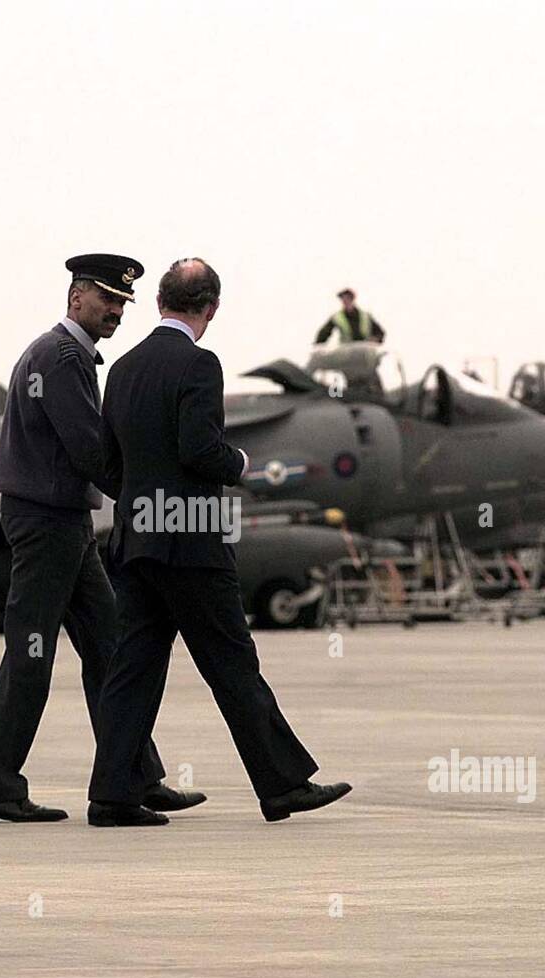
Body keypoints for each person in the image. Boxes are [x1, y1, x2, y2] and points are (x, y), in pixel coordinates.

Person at [87, 257, 352, 826]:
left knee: (132, 669)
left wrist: (140, 500)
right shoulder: (200, 364)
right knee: (232, 664)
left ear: (159, 302)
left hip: (136, 540)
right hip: (191, 540)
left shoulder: (123, 369)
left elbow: (108, 464)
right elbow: (199, 450)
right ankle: (282, 786)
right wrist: (241, 463)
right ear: (210, 308)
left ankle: (111, 795)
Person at [0, 254, 206, 824]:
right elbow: (88, 448)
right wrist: (148, 495)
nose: (117, 311)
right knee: (31, 655)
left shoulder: (59, 353)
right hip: (47, 524)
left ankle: (135, 777)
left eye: (124, 303)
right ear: (77, 296)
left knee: (110, 650)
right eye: (107, 299)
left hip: (65, 522)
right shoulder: (65, 355)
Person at [314, 287, 386, 344]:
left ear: (352, 300)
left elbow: (380, 333)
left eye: (347, 299)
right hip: (347, 354)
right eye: (343, 299)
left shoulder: (365, 316)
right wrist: (317, 346)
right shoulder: (337, 317)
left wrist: (375, 339)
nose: (345, 302)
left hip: (365, 353)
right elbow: (324, 333)